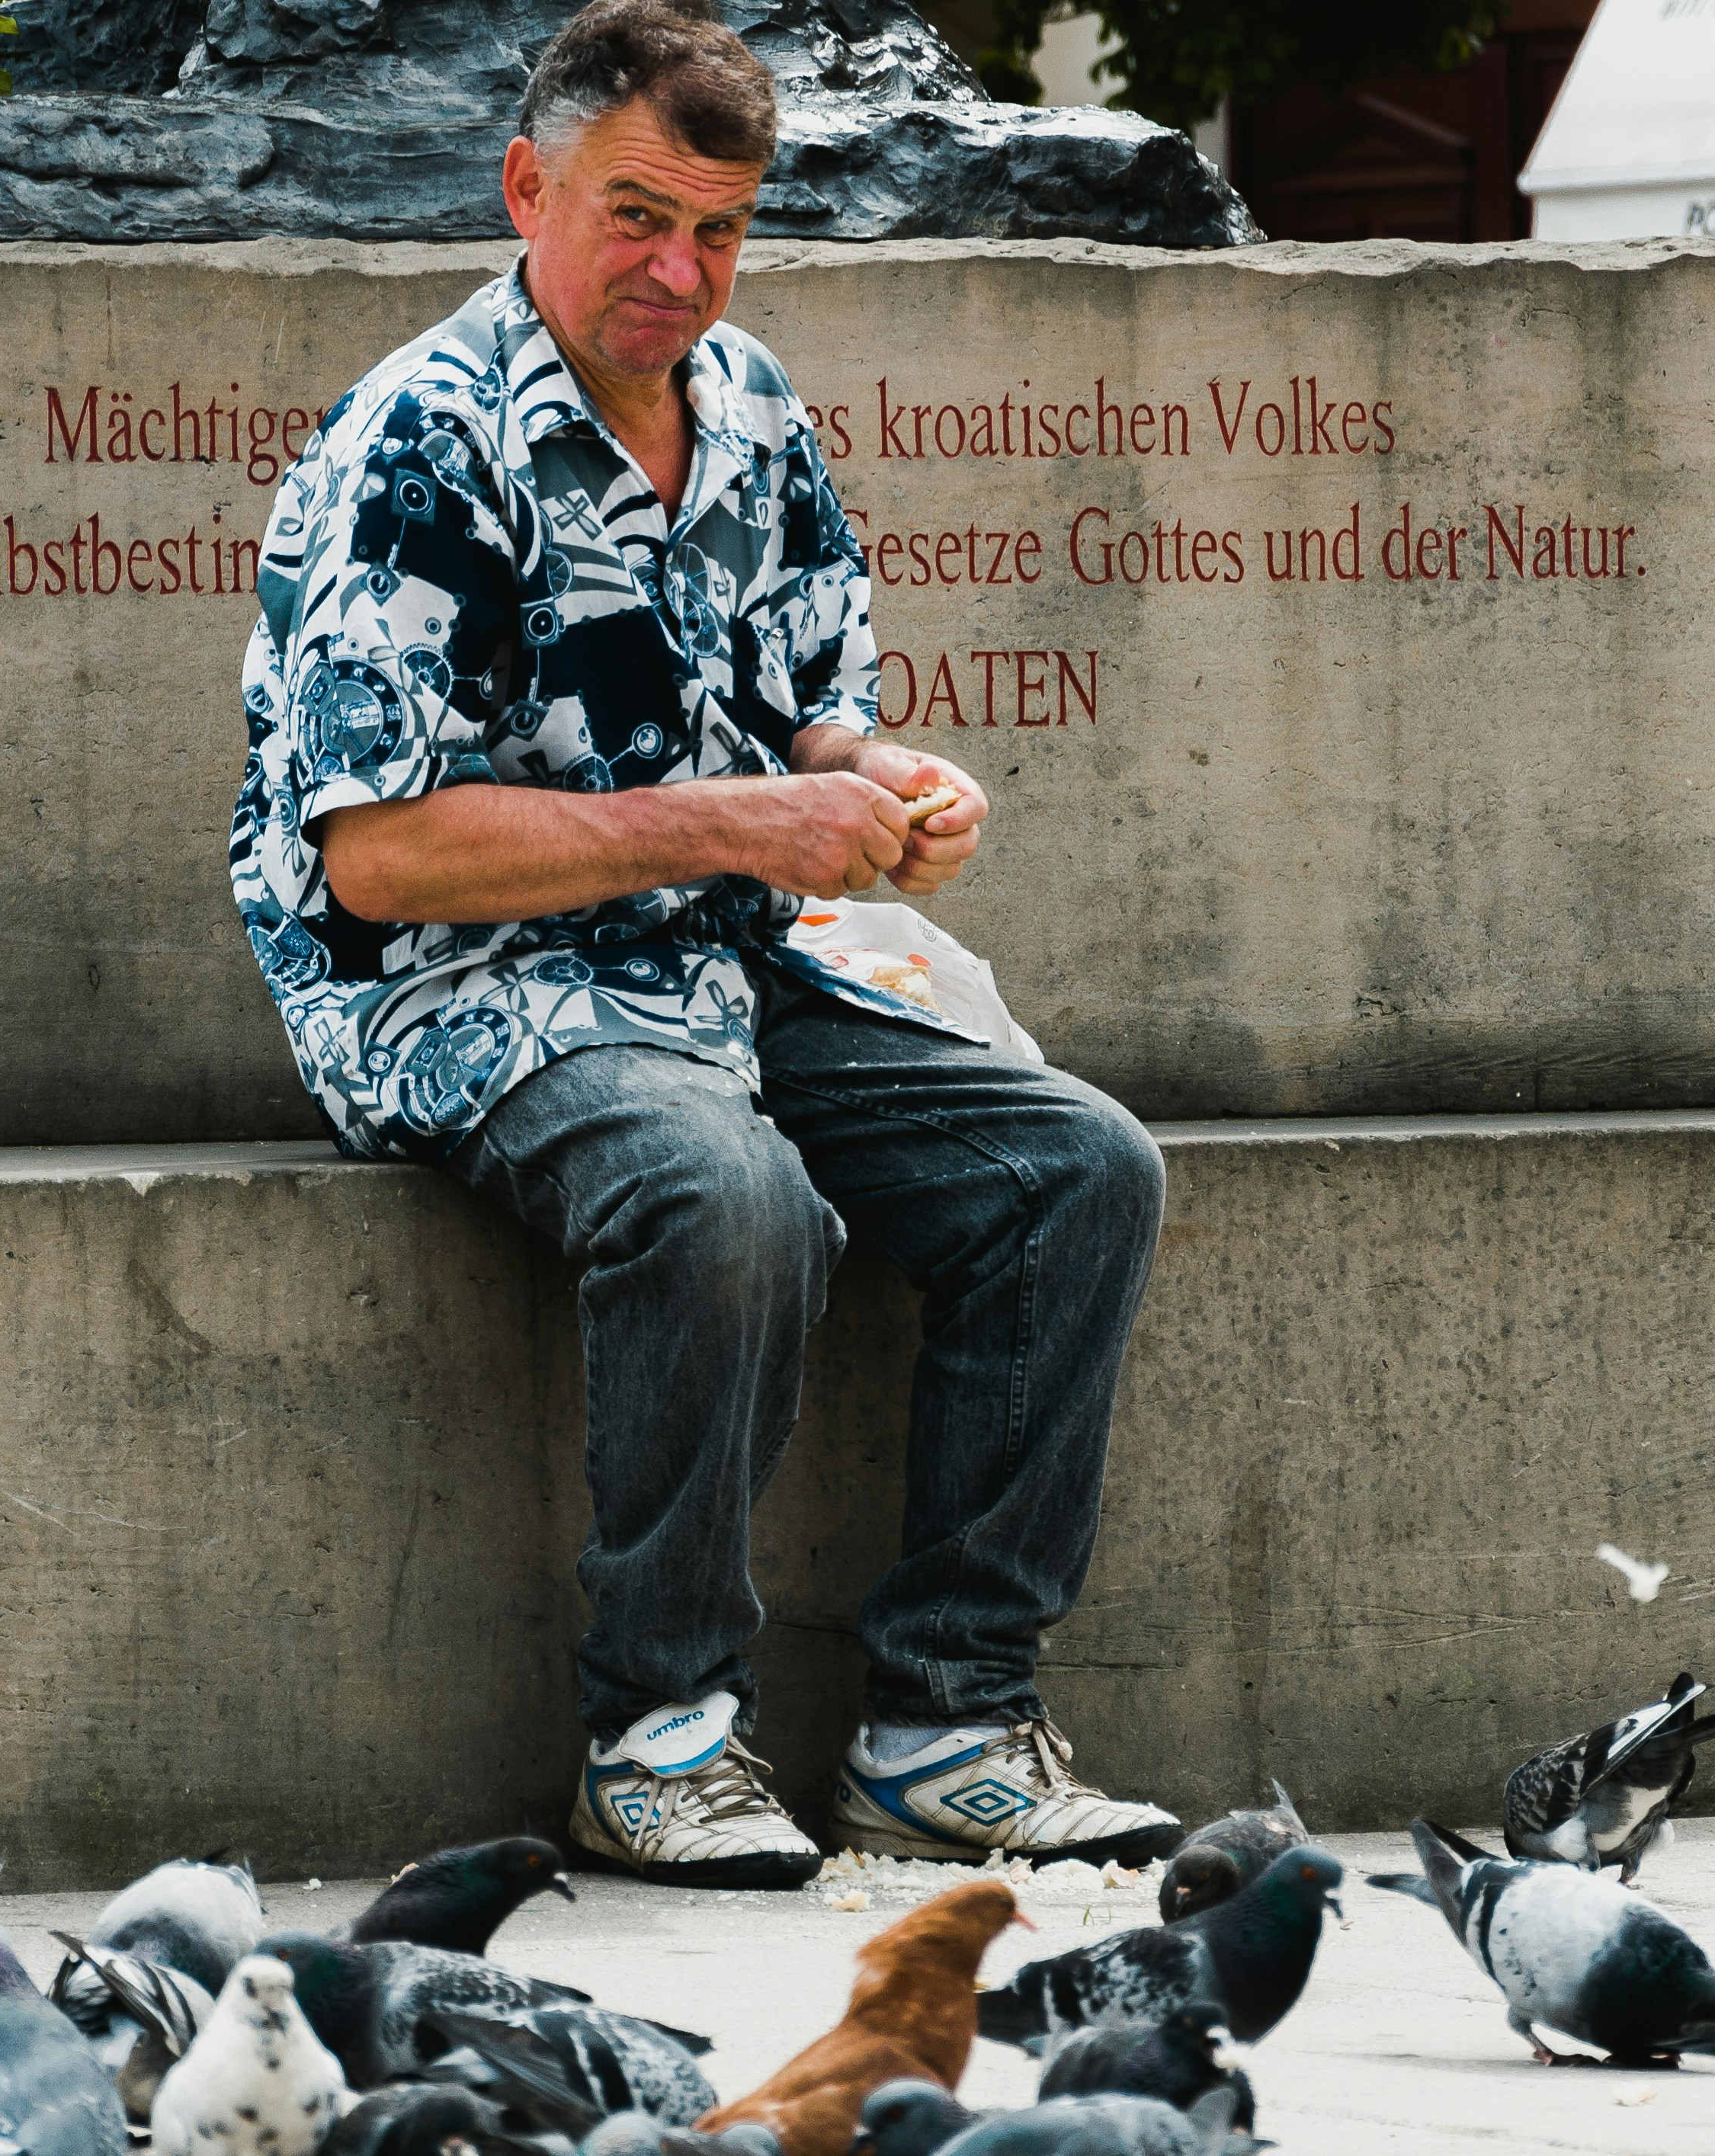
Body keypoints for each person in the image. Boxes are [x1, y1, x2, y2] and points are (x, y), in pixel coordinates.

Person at [228, 0, 1178, 1889]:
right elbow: (380, 862)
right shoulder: (417, 441)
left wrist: (879, 776)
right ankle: (656, 1737)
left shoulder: (752, 405)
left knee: (1076, 1168)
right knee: (726, 1194)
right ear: (528, 188)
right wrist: (742, 821)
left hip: (717, 963)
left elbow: (812, 697)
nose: (679, 271)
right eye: (637, 215)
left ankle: (945, 1723)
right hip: (449, 994)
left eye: (721, 229)